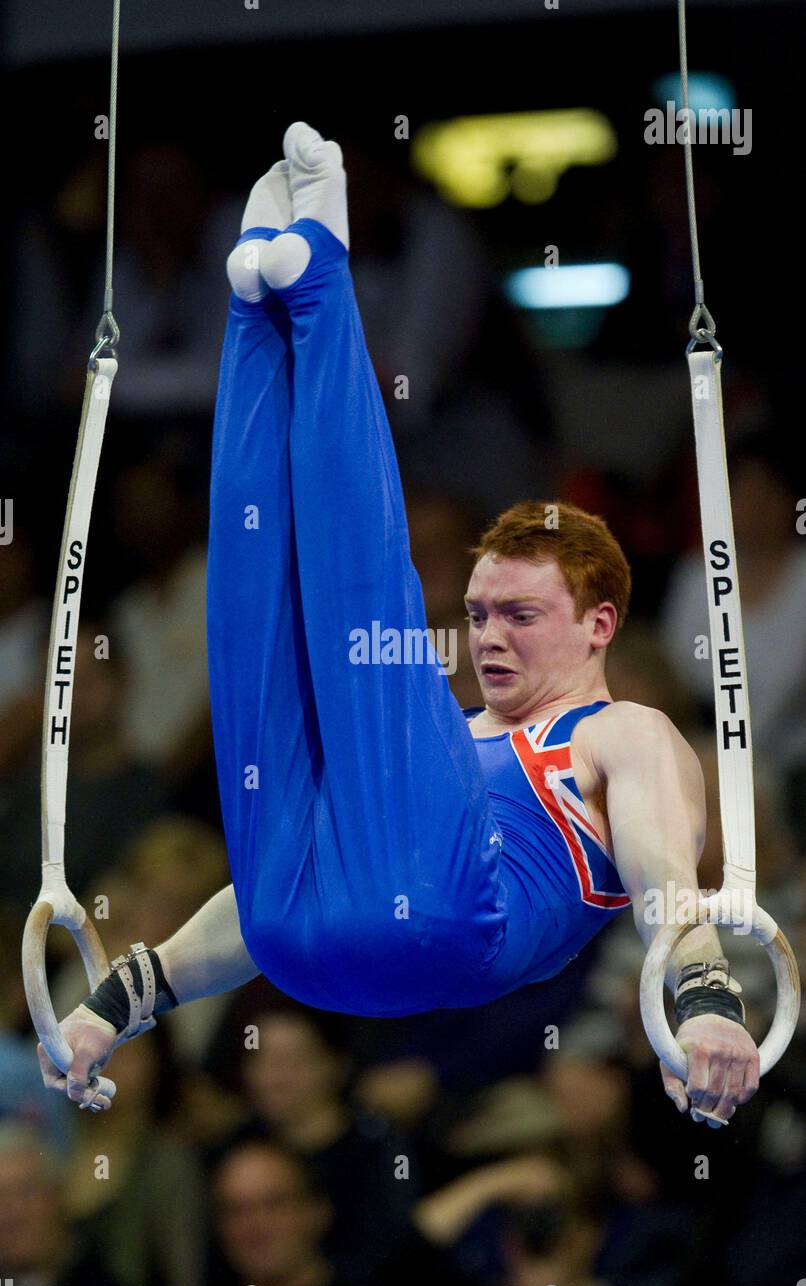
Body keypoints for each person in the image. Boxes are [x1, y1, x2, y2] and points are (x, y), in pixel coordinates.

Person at [38, 122, 758, 1132]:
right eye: (476, 613)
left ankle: (319, 285)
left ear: (599, 623)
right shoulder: (437, 746)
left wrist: (705, 1004)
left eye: (519, 613)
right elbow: (260, 903)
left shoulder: (622, 734)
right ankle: (257, 315)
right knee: (257, 612)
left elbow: (665, 890)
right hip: (299, 937)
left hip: (451, 919)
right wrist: (112, 1004)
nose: (489, 635)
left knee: (349, 622)